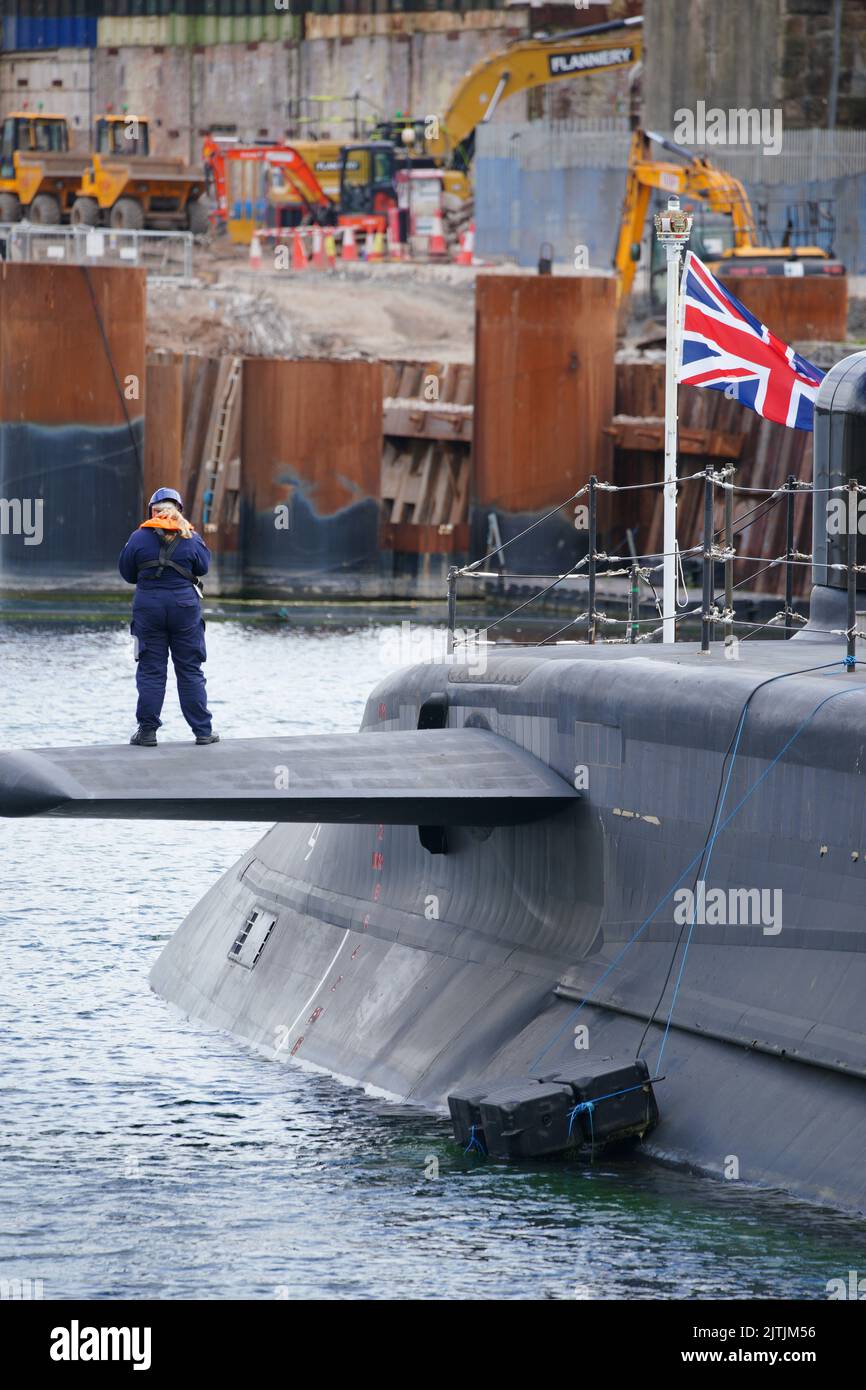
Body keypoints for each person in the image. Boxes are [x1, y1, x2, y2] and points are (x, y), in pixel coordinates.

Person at [118, 487, 219, 747]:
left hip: (149, 607)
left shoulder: (138, 538)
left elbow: (128, 573)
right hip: (184, 608)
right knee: (189, 669)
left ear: (152, 510)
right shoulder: (191, 537)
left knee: (151, 670)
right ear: (179, 509)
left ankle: (148, 732)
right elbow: (203, 567)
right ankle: (203, 732)